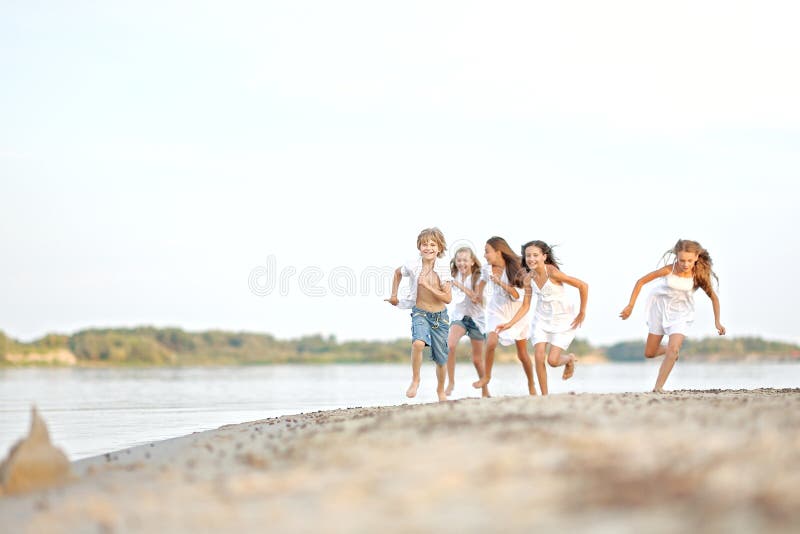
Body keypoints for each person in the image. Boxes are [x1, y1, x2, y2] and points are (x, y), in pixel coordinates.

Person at [620, 239, 726, 393]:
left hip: (681, 314)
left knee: (674, 348)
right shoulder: (668, 270)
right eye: (682, 260)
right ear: (677, 256)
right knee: (649, 353)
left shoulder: (698, 275)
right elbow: (641, 281)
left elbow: (714, 298)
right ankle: (670, 351)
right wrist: (630, 306)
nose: (685, 264)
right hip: (659, 310)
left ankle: (658, 387)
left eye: (689, 260)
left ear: (697, 257)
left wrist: (718, 322)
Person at [496, 240, 588, 395]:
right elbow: (526, 306)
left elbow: (583, 285)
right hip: (541, 319)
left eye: (535, 255)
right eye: (528, 256)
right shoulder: (528, 278)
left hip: (562, 318)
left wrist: (582, 311)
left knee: (552, 361)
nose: (531, 259)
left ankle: (569, 359)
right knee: (539, 356)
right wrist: (509, 323)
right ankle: (544, 396)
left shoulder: (551, 272)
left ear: (544, 256)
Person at [385, 227, 453, 402]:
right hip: (420, 312)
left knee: (441, 359)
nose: (428, 248)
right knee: (417, 343)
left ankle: (440, 391)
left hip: (440, 317)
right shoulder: (413, 265)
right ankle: (415, 380)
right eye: (424, 244)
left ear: (439, 248)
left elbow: (448, 298)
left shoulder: (444, 269)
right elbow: (397, 273)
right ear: (419, 247)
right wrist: (394, 295)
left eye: (432, 244)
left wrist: (428, 286)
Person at [472, 237, 536, 395]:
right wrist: (478, 294)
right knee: (491, 341)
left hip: (516, 312)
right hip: (496, 310)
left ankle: (531, 384)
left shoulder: (516, 269)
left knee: (522, 354)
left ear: (498, 252)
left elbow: (516, 295)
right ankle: (487, 376)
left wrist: (500, 283)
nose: (484, 255)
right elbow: (482, 281)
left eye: (487, 251)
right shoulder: (488, 269)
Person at [446, 246, 488, 397]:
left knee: (477, 360)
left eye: (465, 260)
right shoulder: (452, 274)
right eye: (459, 260)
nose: (461, 263)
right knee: (450, 346)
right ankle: (450, 382)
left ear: (471, 262)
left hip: (477, 321)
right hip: (460, 318)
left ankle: (485, 390)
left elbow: (477, 299)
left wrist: (458, 285)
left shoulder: (478, 277)